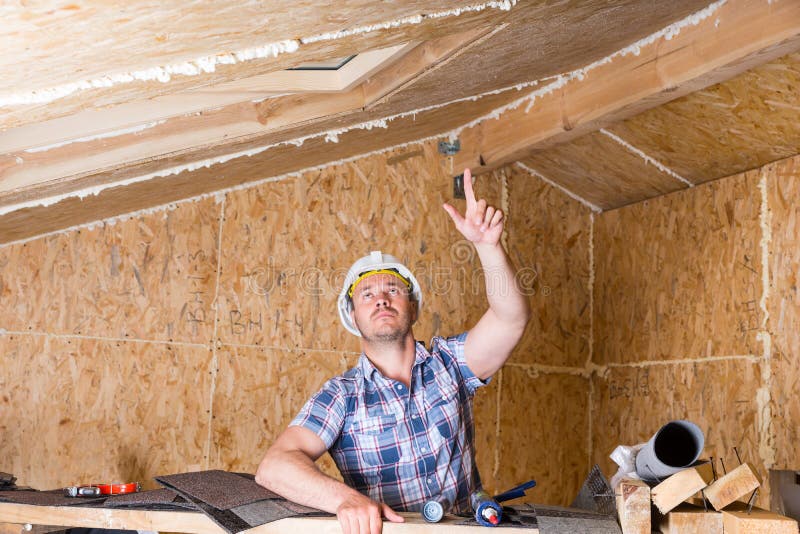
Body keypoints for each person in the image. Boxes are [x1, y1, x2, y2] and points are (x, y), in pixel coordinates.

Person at [255, 168, 530, 534]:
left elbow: (511, 319)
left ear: (412, 308)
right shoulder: (342, 396)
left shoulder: (450, 364)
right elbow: (274, 467)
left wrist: (488, 247)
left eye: (393, 290)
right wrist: (344, 499)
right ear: (353, 317)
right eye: (367, 295)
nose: (381, 299)